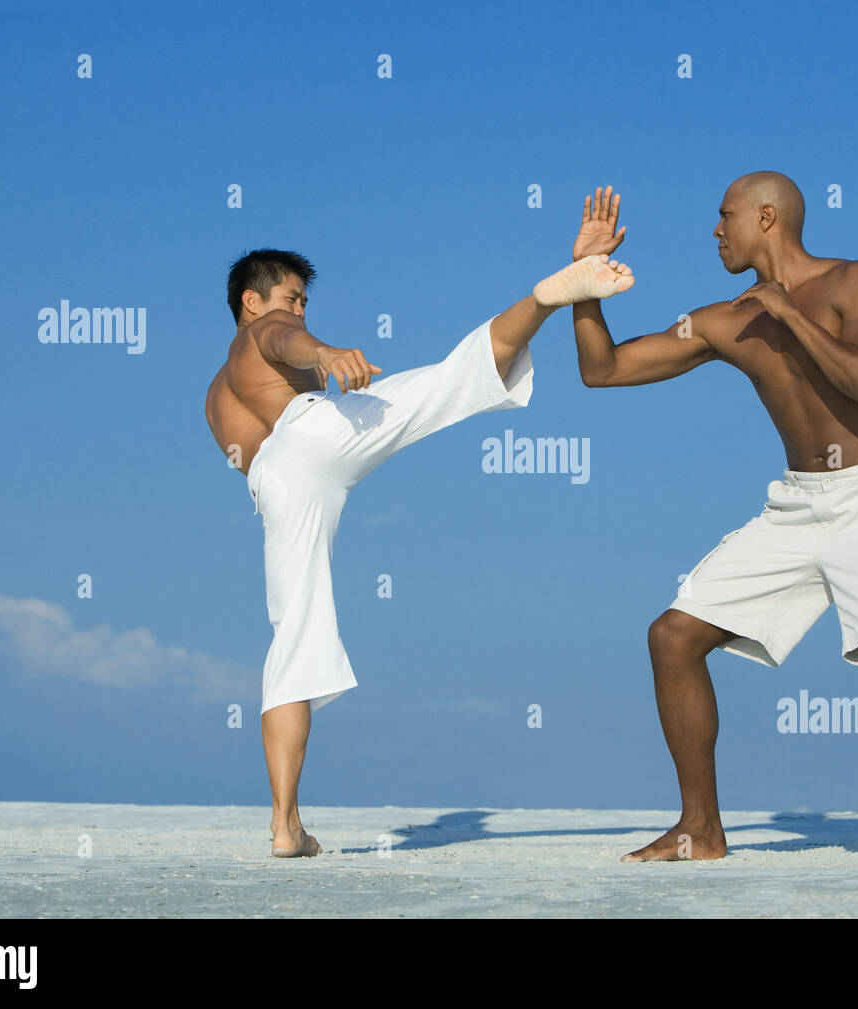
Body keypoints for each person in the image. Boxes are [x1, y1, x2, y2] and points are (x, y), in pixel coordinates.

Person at [568, 177, 858, 865]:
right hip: (797, 506)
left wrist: (788, 315)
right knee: (673, 636)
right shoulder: (724, 320)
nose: (715, 230)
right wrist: (583, 281)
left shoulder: (854, 282)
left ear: (767, 217)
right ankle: (699, 828)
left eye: (725, 216)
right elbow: (603, 371)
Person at [205, 248, 633, 857]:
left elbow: (261, 458)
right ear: (251, 300)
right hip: (310, 433)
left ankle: (285, 826)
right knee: (448, 382)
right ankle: (546, 296)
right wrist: (323, 352)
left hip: (272, 482)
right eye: (292, 297)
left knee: (292, 639)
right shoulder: (265, 334)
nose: (299, 309)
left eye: (304, 301)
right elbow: (279, 339)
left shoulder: (215, 395)